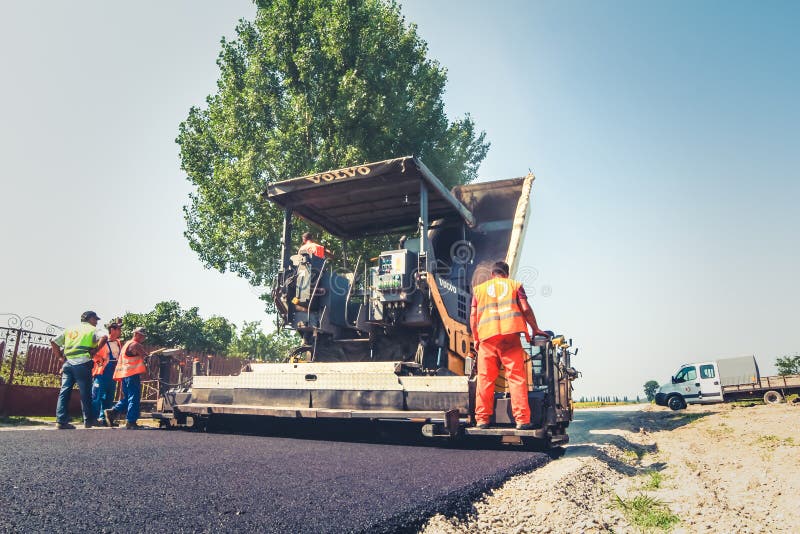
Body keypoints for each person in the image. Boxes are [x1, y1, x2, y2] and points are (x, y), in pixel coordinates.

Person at [470, 261, 549, 430]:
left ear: (492, 274)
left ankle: (482, 420)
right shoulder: (514, 285)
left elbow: (473, 316)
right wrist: (535, 329)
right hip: (510, 337)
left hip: (487, 339)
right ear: (506, 274)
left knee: (485, 380)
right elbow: (525, 308)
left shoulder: (479, 290)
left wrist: (476, 339)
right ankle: (522, 420)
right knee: (516, 379)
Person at [51, 311, 108, 429]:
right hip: (82, 363)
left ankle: (61, 421)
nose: (96, 322)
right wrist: (96, 349)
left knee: (64, 392)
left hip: (68, 364)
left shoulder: (70, 329)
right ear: (89, 319)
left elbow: (54, 341)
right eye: (95, 319)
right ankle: (88, 420)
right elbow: (105, 336)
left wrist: (60, 358)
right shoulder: (92, 329)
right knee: (85, 393)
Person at [105, 327, 148, 429]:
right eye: (142, 336)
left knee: (128, 398)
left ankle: (112, 412)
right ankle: (131, 421)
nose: (143, 338)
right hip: (132, 374)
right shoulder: (135, 345)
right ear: (137, 334)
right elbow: (145, 356)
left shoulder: (127, 344)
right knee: (134, 397)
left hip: (125, 374)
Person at [91, 319, 123, 426]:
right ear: (112, 330)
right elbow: (94, 354)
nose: (120, 331)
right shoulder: (102, 341)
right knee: (97, 396)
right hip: (102, 372)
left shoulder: (118, 342)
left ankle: (105, 419)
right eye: (119, 329)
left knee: (109, 396)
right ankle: (92, 419)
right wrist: (101, 362)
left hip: (113, 372)